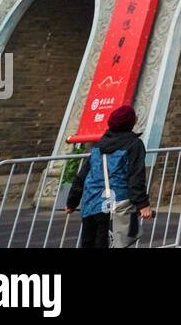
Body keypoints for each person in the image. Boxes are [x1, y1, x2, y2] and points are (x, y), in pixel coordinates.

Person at [64, 105, 153, 247]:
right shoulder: (134, 144)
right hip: (116, 205)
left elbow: (82, 175)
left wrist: (72, 202)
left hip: (90, 203)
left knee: (89, 243)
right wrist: (142, 204)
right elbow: (135, 176)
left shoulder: (99, 145)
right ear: (131, 122)